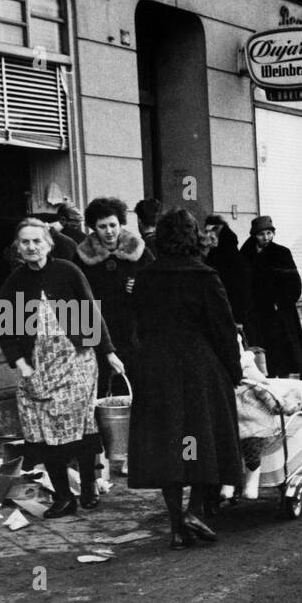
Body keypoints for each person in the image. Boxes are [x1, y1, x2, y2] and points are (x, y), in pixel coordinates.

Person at [127, 209, 244, 549]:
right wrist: (233, 370)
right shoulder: (204, 276)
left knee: (168, 446)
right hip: (196, 366)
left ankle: (177, 527)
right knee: (197, 442)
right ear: (193, 238)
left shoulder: (146, 277)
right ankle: (194, 510)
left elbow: (137, 323)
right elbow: (223, 327)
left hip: (156, 369)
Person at [0, 219, 124, 519]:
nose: (31, 247)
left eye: (36, 242)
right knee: (43, 431)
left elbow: (90, 314)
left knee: (81, 426)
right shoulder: (15, 283)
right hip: (37, 367)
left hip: (76, 361)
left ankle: (90, 485)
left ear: (49, 244)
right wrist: (20, 363)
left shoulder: (67, 271)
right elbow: (7, 331)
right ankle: (64, 496)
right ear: (18, 247)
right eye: (24, 242)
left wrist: (108, 352)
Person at [75, 197, 154, 389]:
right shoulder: (82, 256)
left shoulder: (139, 251)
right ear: (94, 227)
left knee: (136, 380)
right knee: (100, 383)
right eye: (102, 226)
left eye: (113, 225)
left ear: (121, 223)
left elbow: (157, 285)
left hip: (133, 327)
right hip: (98, 326)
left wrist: (140, 287)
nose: (109, 231)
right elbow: (75, 296)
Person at [240, 216, 302, 377]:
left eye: (269, 233)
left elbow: (295, 284)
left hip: (278, 316)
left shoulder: (281, 253)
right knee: (260, 359)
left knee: (281, 358)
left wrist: (280, 303)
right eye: (262, 234)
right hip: (256, 316)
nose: (266, 237)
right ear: (254, 235)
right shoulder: (245, 255)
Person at [200, 214, 249, 332]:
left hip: (233, 315)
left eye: (210, 232)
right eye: (206, 232)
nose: (207, 236)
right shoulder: (213, 256)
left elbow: (240, 292)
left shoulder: (234, 260)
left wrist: (238, 319)